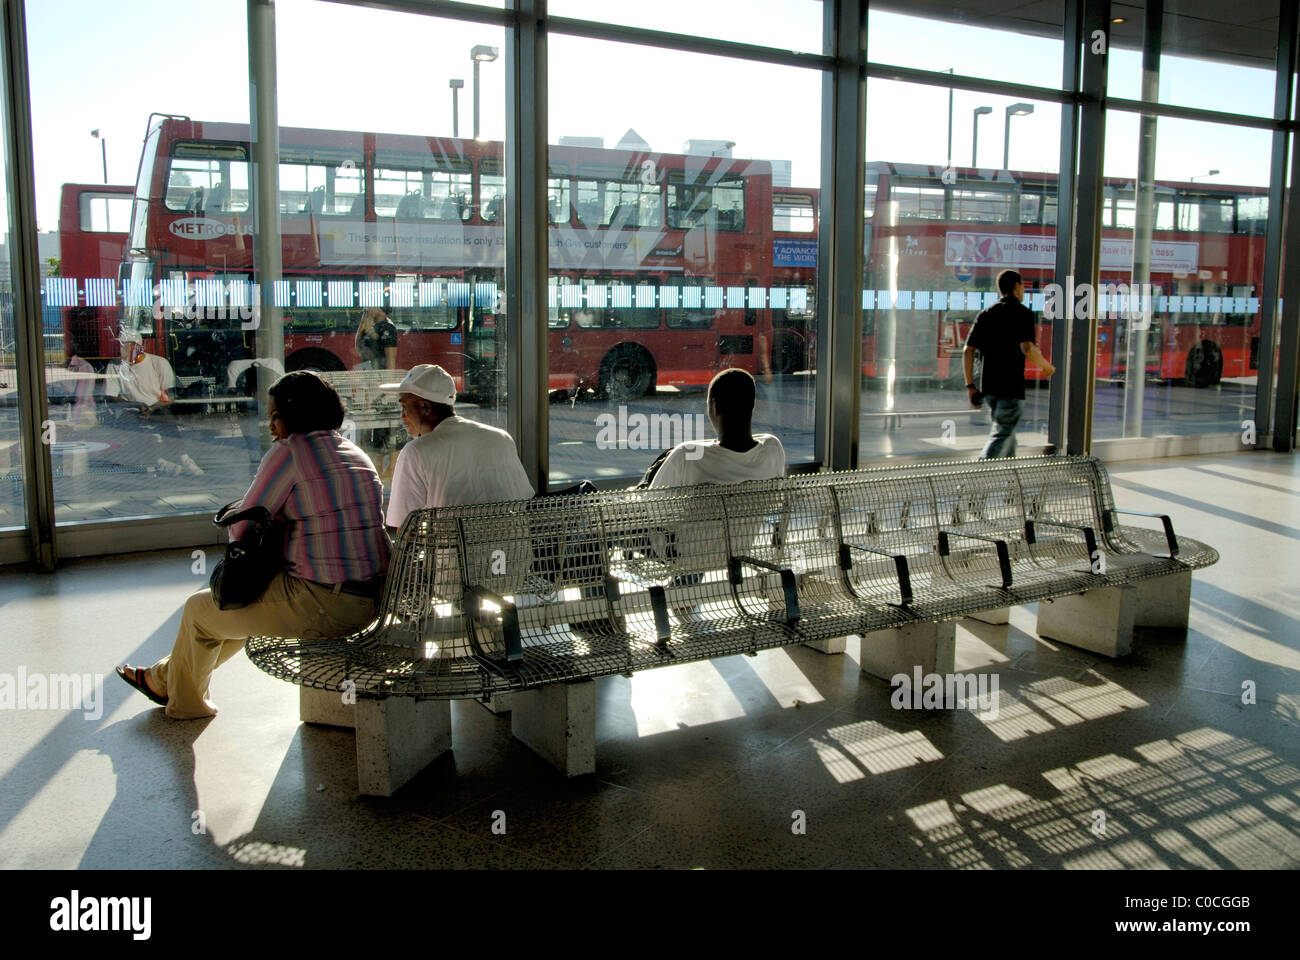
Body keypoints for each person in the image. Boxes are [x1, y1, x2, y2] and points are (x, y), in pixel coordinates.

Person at [116, 371, 391, 719]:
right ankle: (162, 677)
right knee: (232, 611)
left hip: (325, 603)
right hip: (372, 598)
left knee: (200, 611)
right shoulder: (354, 453)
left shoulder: (290, 453)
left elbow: (243, 527)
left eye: (276, 415)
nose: (271, 425)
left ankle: (184, 705)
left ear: (296, 415)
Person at [383, 364, 533, 529]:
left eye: (405, 407)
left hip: (456, 555)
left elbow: (406, 530)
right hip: (514, 553)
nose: (402, 417)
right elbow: (526, 500)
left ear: (426, 407)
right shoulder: (501, 438)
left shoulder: (416, 451)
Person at [963, 269, 1056, 459]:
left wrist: (970, 386)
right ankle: (977, 478)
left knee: (1008, 435)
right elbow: (1028, 348)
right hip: (1010, 387)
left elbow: (968, 351)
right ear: (1016, 287)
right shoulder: (1023, 313)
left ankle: (1012, 483)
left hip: (989, 387)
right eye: (1022, 286)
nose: (1023, 291)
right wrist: (1046, 366)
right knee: (1002, 434)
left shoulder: (986, 314)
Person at [647, 367, 785, 489]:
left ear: (714, 407)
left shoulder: (686, 456)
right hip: (752, 519)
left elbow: (651, 507)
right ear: (753, 404)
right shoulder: (772, 448)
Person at [105, 330, 176, 413]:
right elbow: (110, 396)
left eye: (124, 346)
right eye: (119, 345)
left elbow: (171, 397)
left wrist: (151, 409)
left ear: (137, 347)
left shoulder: (160, 363)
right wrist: (134, 405)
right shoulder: (114, 365)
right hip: (129, 413)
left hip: (158, 411)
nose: (120, 350)